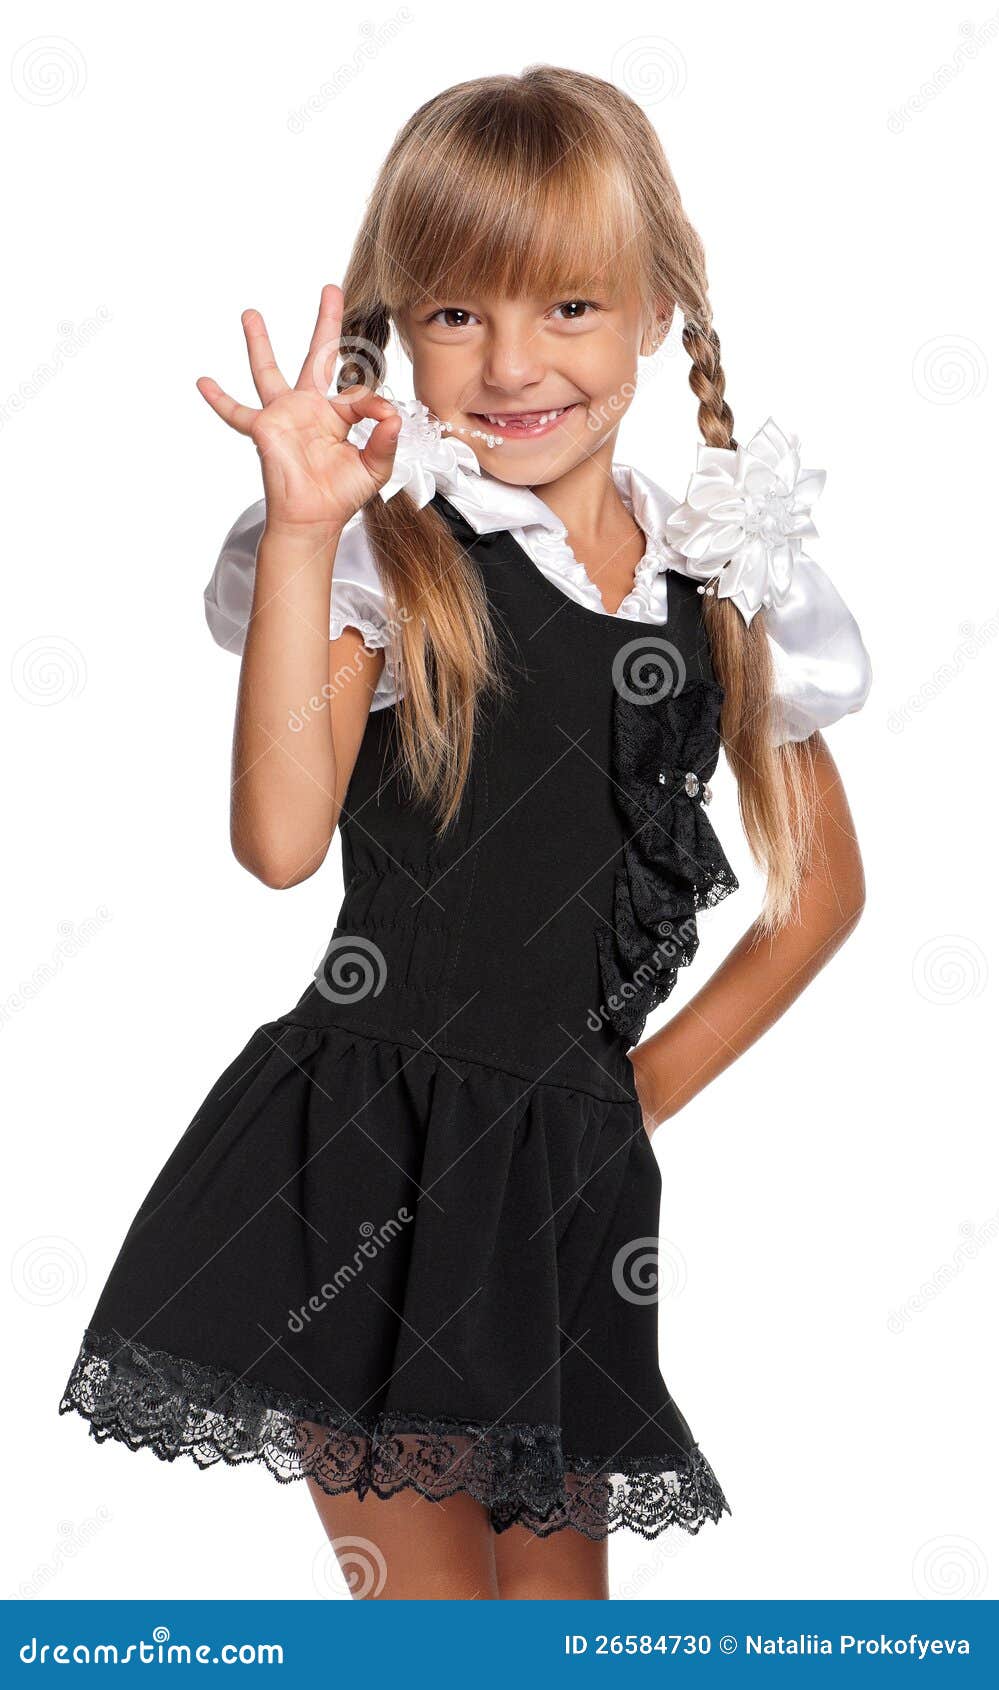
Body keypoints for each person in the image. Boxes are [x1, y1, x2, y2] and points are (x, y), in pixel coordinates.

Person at [60, 65, 871, 1601]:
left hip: (559, 1184)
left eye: (568, 306)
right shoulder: (398, 549)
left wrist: (622, 1105)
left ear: (656, 312)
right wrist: (306, 531)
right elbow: (281, 841)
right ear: (399, 323)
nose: (511, 363)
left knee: (558, 1626)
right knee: (435, 1630)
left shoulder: (725, 578)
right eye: (457, 314)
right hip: (367, 1151)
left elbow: (818, 895)